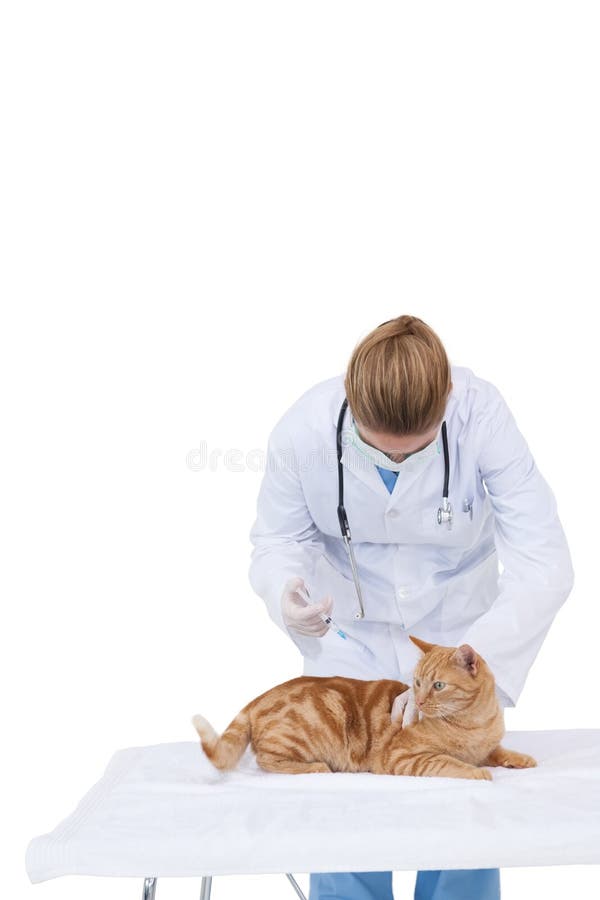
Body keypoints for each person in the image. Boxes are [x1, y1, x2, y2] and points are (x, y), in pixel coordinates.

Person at [248, 315, 574, 900]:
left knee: (461, 811)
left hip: (457, 638)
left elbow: (545, 563)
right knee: (347, 813)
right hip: (350, 643)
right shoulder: (303, 430)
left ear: (446, 403)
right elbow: (276, 542)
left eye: (417, 453)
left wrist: (471, 663)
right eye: (379, 452)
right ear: (350, 399)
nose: (396, 466)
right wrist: (285, 593)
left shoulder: (483, 417)